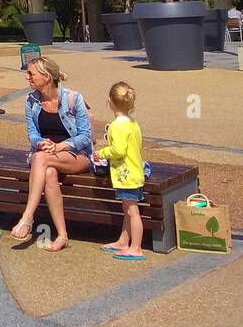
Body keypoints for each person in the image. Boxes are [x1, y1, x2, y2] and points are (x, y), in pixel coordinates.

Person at [9, 56, 93, 251]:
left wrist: (60, 146)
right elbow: (32, 134)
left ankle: (28, 217)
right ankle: (62, 235)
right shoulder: (31, 101)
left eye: (31, 74)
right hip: (46, 155)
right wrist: (41, 142)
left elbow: (85, 137)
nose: (27, 78)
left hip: (76, 154)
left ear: (46, 77)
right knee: (48, 173)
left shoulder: (73, 98)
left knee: (40, 158)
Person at [95, 82, 146, 260]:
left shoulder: (117, 125)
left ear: (110, 101)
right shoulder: (132, 123)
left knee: (132, 211)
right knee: (128, 210)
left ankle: (136, 247)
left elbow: (118, 150)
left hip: (127, 175)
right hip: (134, 171)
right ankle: (124, 242)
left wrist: (101, 153)